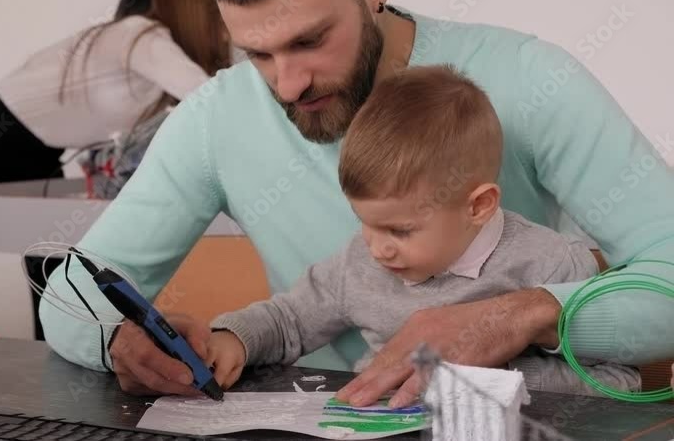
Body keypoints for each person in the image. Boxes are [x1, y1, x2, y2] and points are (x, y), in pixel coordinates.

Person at [39, 0, 674, 407]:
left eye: (310, 40)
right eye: (257, 52)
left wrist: (520, 315)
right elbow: (74, 295)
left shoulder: (531, 79)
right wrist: (116, 340)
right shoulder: (216, 118)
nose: (287, 85)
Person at [203, 65, 641, 399]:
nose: (375, 247)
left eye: (401, 230)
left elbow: (619, 381)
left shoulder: (553, 264)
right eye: (365, 222)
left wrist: (496, 382)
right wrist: (232, 339)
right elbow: (289, 320)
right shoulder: (358, 262)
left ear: (478, 206)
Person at [0, 0, 229, 185]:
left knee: (53, 241)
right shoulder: (143, 37)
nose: (227, 36)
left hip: (37, 150)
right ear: (199, 14)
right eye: (221, 21)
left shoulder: (154, 60)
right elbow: (212, 100)